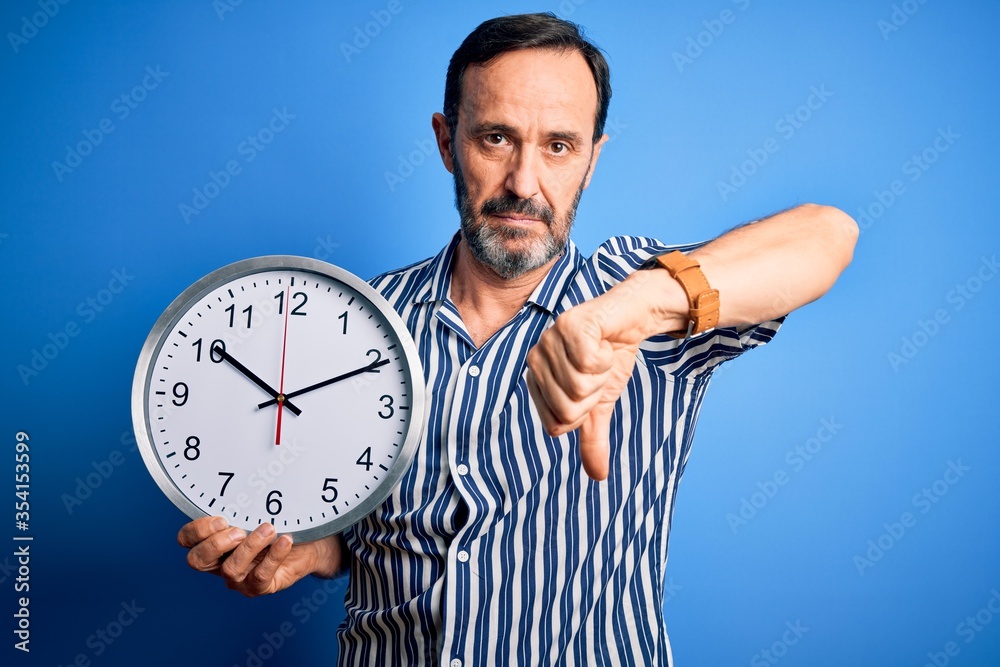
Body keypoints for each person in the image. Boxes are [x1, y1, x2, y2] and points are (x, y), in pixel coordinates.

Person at [178, 12, 857, 666]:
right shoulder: (361, 320)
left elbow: (828, 235)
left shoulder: (645, 301)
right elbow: (360, 522)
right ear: (447, 142)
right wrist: (318, 547)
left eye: (559, 146)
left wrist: (638, 308)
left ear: (592, 160)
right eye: (495, 138)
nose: (523, 184)